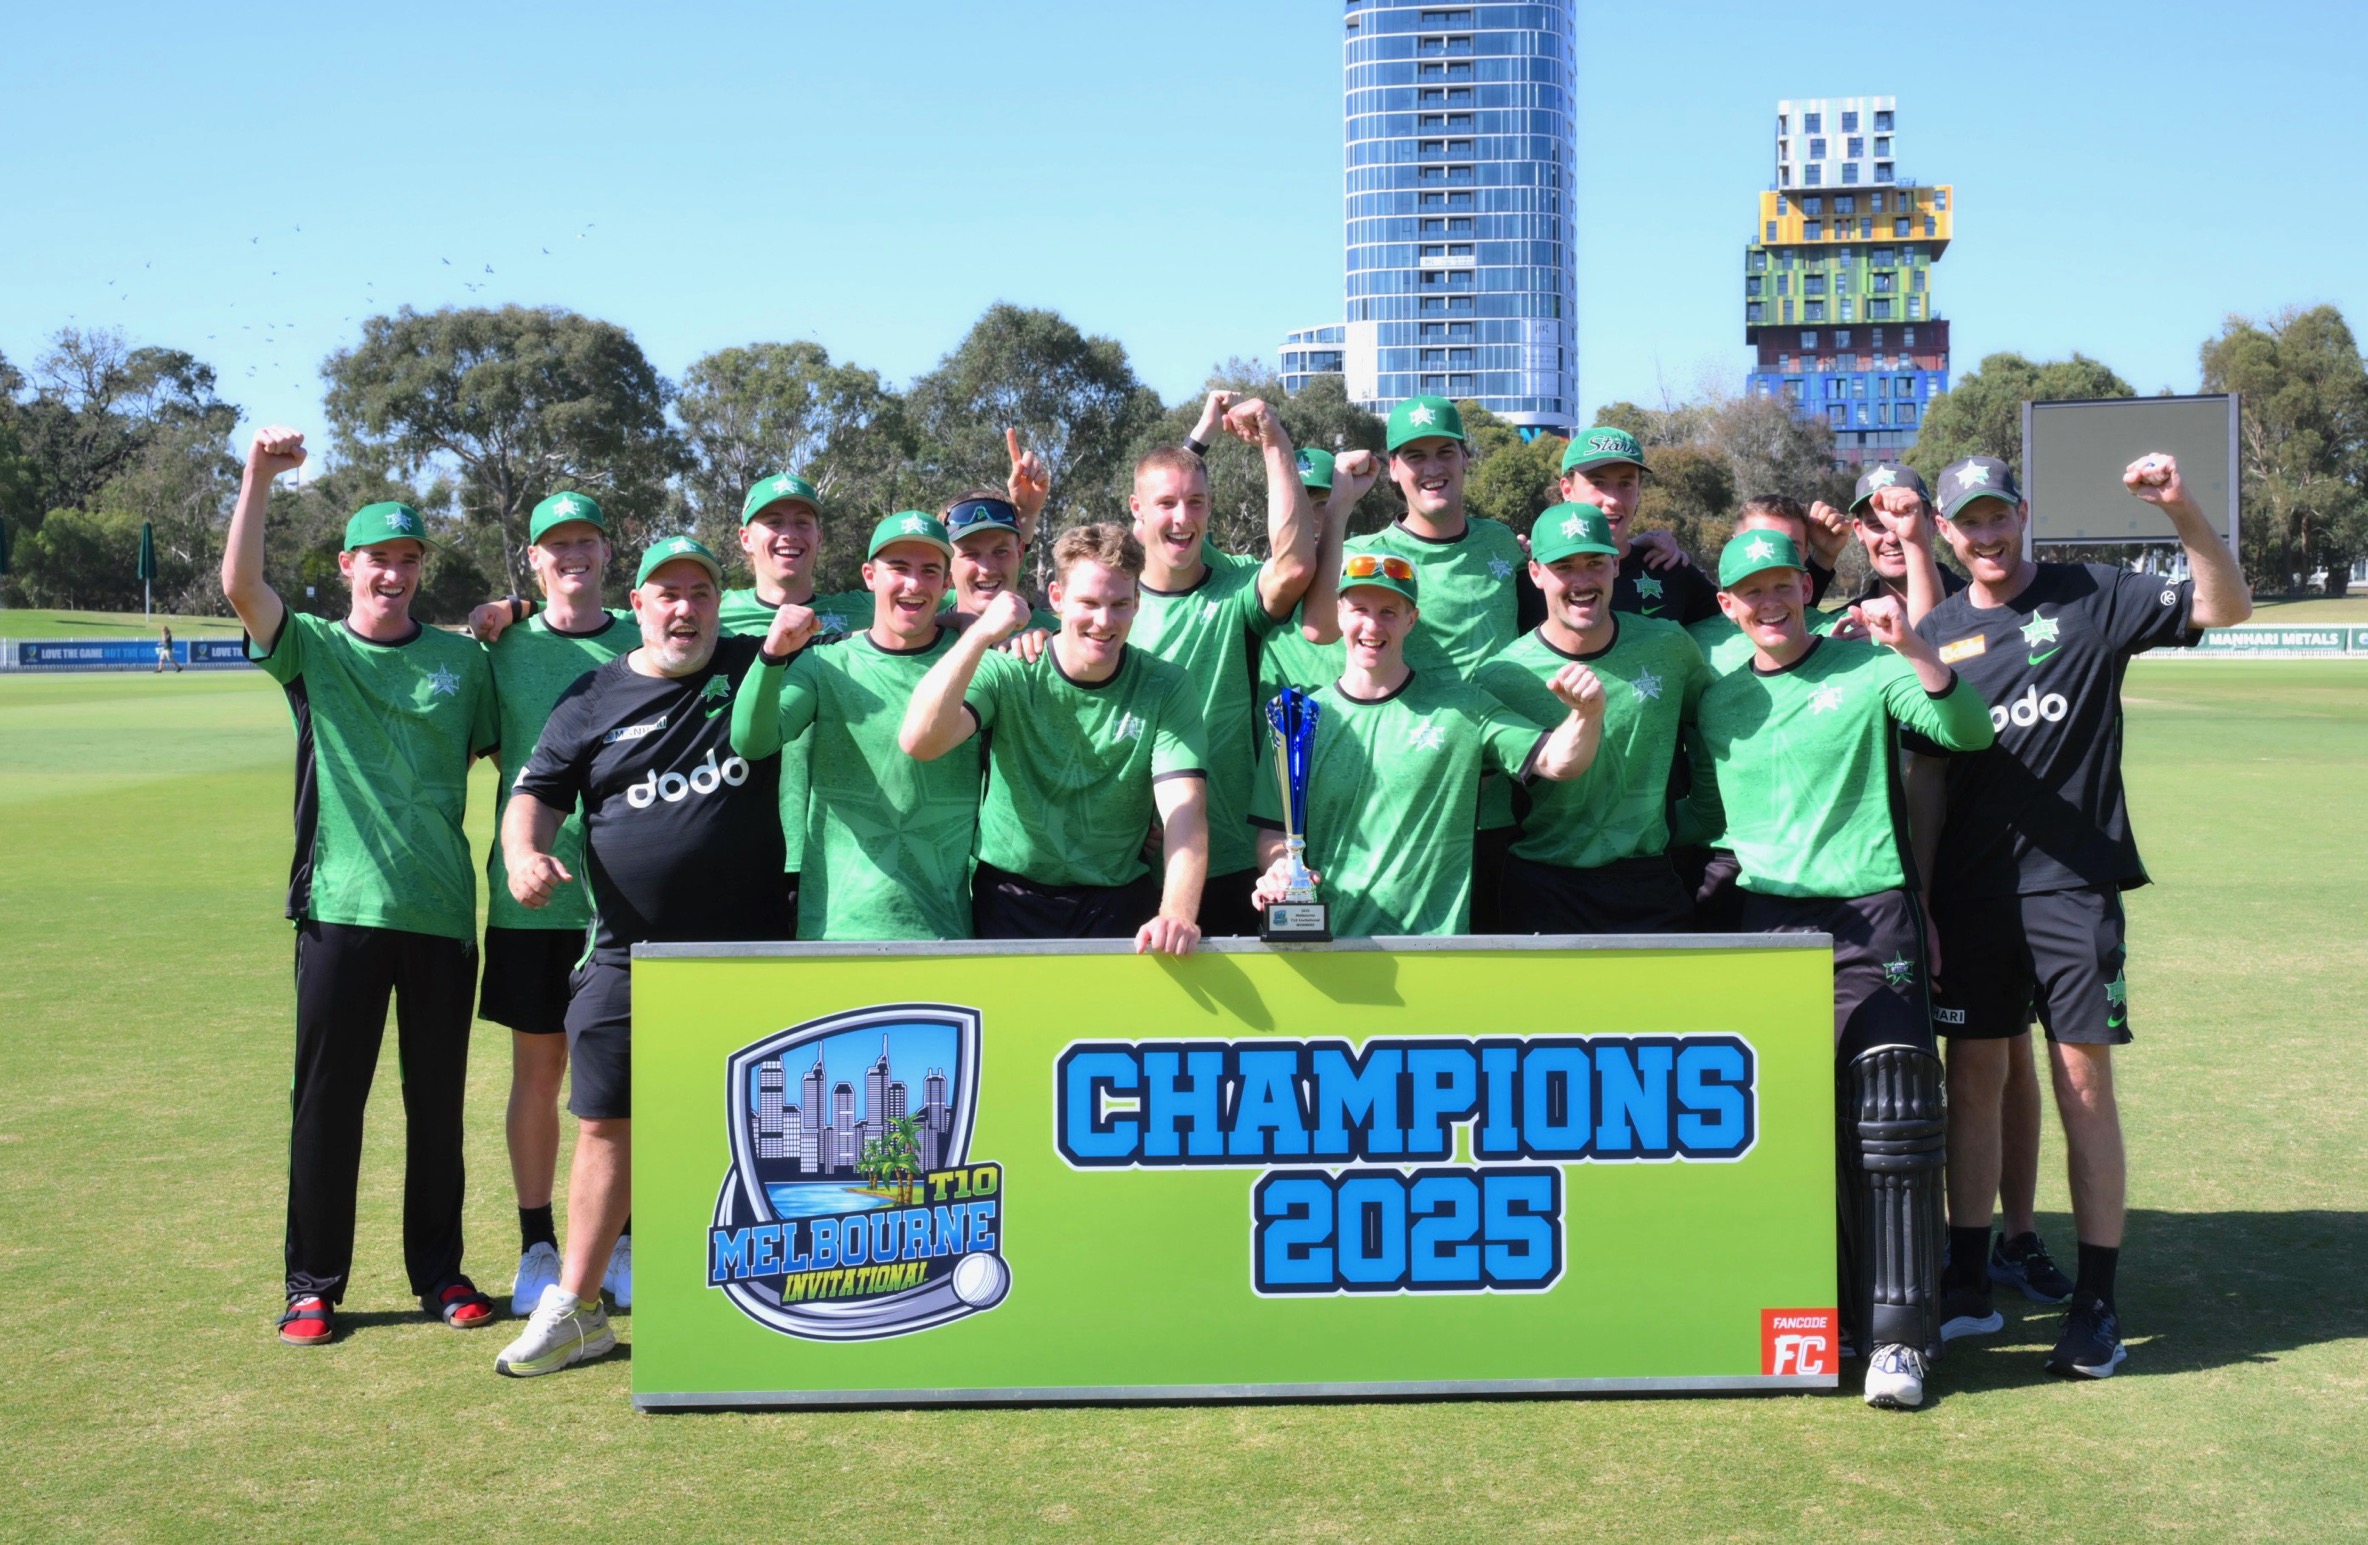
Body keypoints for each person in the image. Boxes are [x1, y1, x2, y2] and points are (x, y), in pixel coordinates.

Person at [1909, 452, 2251, 1380]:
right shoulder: (1932, 631)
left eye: (1997, 515)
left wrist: (2182, 510)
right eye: (1966, 522)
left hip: (2072, 888)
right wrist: (1926, 903)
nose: (1985, 535)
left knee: (2082, 1086)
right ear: (1945, 532)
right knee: (1971, 1081)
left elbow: (2225, 607)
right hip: (1971, 900)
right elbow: (1929, 785)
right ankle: (1971, 1284)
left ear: (2023, 514)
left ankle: (2097, 1305)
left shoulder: (2092, 594)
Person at [1692, 529, 1996, 1410]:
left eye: (1783, 585)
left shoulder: (1868, 667)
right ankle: (1816, 1316)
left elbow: (1963, 729)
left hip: (1870, 918)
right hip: (1767, 924)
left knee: (1893, 1119)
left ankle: (1901, 1339)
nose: (1769, 603)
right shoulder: (1721, 704)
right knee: (1783, 1128)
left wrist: (1913, 646)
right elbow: (1714, 816)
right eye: (1751, 593)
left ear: (1806, 589)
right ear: (1728, 608)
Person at [219, 427, 500, 1348]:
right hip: (340, 909)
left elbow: (516, 747)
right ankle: (312, 1284)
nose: (396, 573)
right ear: (347, 565)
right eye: (380, 558)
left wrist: (509, 621)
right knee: (329, 1103)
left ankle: (440, 1271)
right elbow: (241, 589)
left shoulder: (464, 664)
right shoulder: (311, 651)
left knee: (437, 1105)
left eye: (410, 559)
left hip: (441, 914)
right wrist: (259, 475)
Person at [492, 535, 794, 1376]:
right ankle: (578, 1308)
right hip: (630, 953)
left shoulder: (751, 661)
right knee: (604, 1123)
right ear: (639, 601)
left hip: (750, 953)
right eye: (668, 593)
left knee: (761, 1126)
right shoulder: (590, 696)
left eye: (700, 591)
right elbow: (535, 796)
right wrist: (523, 855)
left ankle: (762, 1299)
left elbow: (886, 617)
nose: (685, 608)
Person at [1250, 554, 1607, 936]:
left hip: (1437, 953)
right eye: (1359, 609)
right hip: (1329, 948)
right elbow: (1273, 832)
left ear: (1411, 620)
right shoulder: (1298, 720)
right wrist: (1279, 869)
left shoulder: (1463, 708)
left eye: (1389, 611)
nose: (1372, 625)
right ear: (1339, 614)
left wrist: (1587, 714)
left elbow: (1559, 762)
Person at [900, 524, 1209, 954]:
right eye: (1089, 602)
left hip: (1118, 903)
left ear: (1138, 602)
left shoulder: (1166, 685)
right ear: (1057, 598)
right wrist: (983, 634)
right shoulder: (1008, 668)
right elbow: (919, 741)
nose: (1104, 621)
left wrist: (1177, 912)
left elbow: (1185, 808)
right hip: (1009, 901)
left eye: (1120, 604)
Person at [476, 491, 636, 1316]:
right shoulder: (500, 649)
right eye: (555, 544)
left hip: (630, 900)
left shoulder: (645, 639)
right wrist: (502, 615)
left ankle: (622, 1238)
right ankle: (538, 1240)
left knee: (629, 1086)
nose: (572, 554)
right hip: (532, 899)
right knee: (539, 1075)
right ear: (533, 558)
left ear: (608, 553)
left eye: (586, 541)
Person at [731, 513, 983, 940]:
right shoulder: (825, 663)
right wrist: (771, 656)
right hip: (839, 926)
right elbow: (753, 742)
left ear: (947, 586)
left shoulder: (978, 661)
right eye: (898, 568)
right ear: (870, 576)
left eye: (929, 571)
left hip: (949, 925)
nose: (913, 584)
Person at [1126, 397, 1317, 936]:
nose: (1182, 518)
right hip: (1130, 862)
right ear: (1136, 509)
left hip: (1235, 859)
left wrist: (1274, 439)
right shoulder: (1111, 607)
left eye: (1196, 502)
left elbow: (1297, 563)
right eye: (1165, 503)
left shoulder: (1235, 594)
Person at [1474, 504, 1711, 932]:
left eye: (1595, 563)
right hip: (1544, 886)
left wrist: (1700, 815)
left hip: (1650, 882)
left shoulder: (1670, 647)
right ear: (1535, 573)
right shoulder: (1501, 677)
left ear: (1617, 565)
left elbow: (1713, 726)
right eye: (1564, 566)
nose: (1582, 580)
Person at [1555, 426, 1724, 625]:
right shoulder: (1538, 579)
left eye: (1625, 484)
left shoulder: (1672, 573)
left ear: (1638, 492)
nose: (1614, 500)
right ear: (1567, 489)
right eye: (1598, 483)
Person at [1847, 463, 1964, 611]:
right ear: (1859, 531)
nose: (1892, 538)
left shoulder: (1982, 609)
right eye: (1878, 525)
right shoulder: (1845, 625)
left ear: (1934, 522)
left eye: (1905, 519)